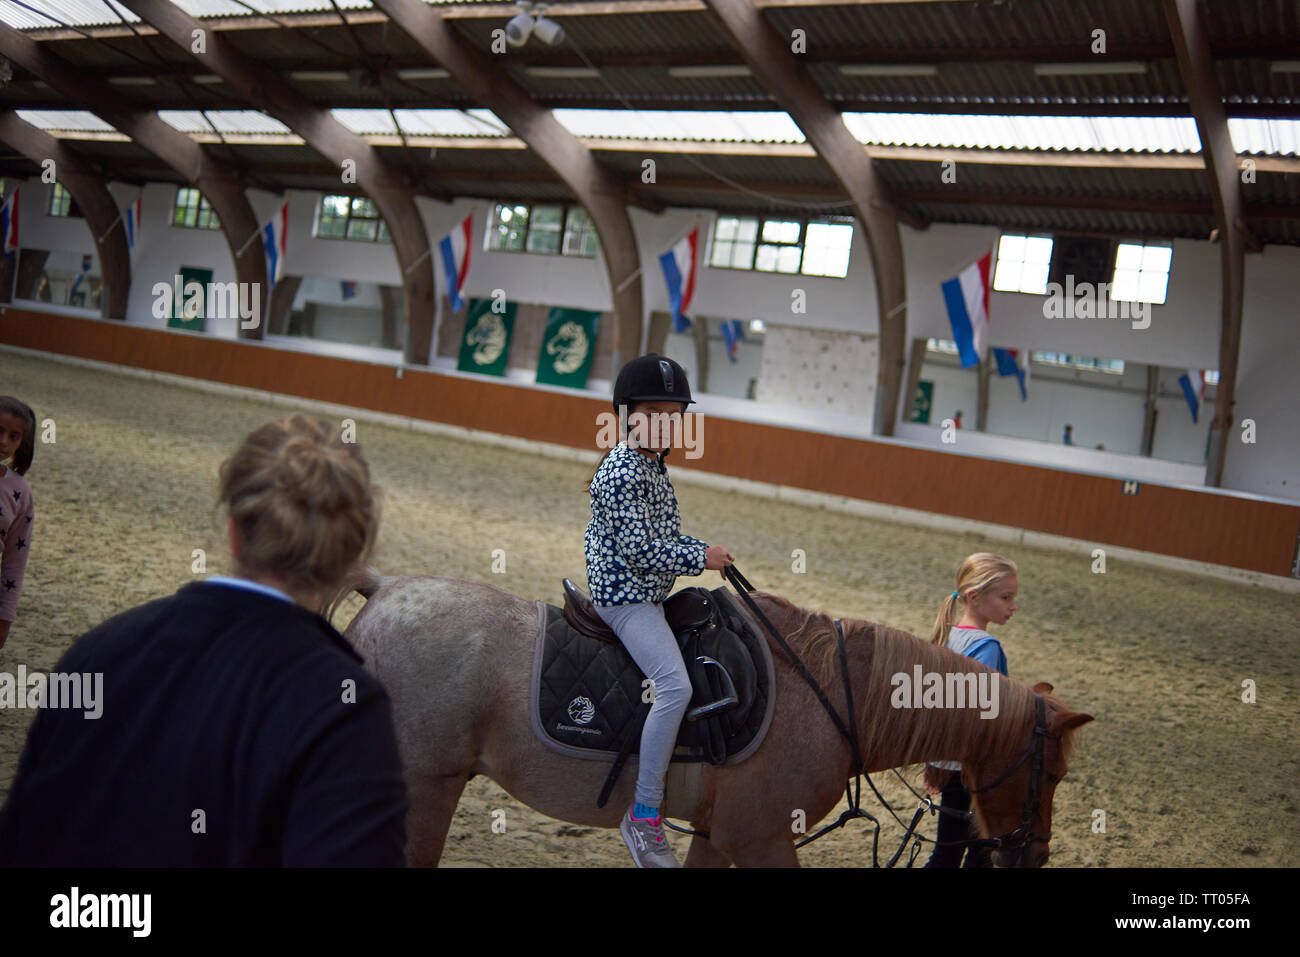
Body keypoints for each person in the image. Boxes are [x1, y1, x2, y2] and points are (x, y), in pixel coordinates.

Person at [0, 414, 409, 866]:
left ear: (233, 529)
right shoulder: (346, 708)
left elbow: (25, 837)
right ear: (353, 556)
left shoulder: (99, 650)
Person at [585, 354, 734, 867]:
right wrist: (700, 557)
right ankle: (644, 815)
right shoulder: (624, 468)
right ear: (627, 414)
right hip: (624, 597)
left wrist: (704, 550)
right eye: (653, 411)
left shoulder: (651, 463)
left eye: (673, 413)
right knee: (675, 685)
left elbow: (663, 537)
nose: (664, 422)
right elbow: (640, 550)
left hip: (647, 591)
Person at [921, 551, 1018, 868]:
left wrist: (933, 761)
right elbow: (982, 714)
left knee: (955, 852)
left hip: (946, 761)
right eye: (1005, 597)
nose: (1012, 606)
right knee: (966, 855)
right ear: (974, 597)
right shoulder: (986, 647)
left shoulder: (947, 637)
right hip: (973, 769)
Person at [0, 396, 36, 651]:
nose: (4, 442)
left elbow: (15, 561)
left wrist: (5, 618)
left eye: (14, 436)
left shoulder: (19, 491)